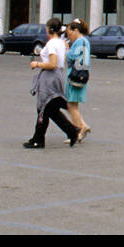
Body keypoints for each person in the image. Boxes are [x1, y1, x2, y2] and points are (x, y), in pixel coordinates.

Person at [24, 17, 79, 149]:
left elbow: (52, 63)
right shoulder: (61, 43)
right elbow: (62, 61)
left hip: (49, 78)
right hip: (58, 75)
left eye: (47, 28)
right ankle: (71, 131)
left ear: (50, 29)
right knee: (52, 109)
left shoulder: (52, 44)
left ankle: (38, 140)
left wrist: (36, 64)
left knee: (43, 107)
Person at [65, 18, 92, 143]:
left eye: (69, 33)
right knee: (73, 104)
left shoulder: (79, 42)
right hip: (83, 74)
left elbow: (71, 57)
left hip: (75, 74)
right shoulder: (86, 41)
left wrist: (66, 49)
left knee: (71, 105)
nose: (69, 36)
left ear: (75, 30)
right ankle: (81, 127)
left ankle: (78, 130)